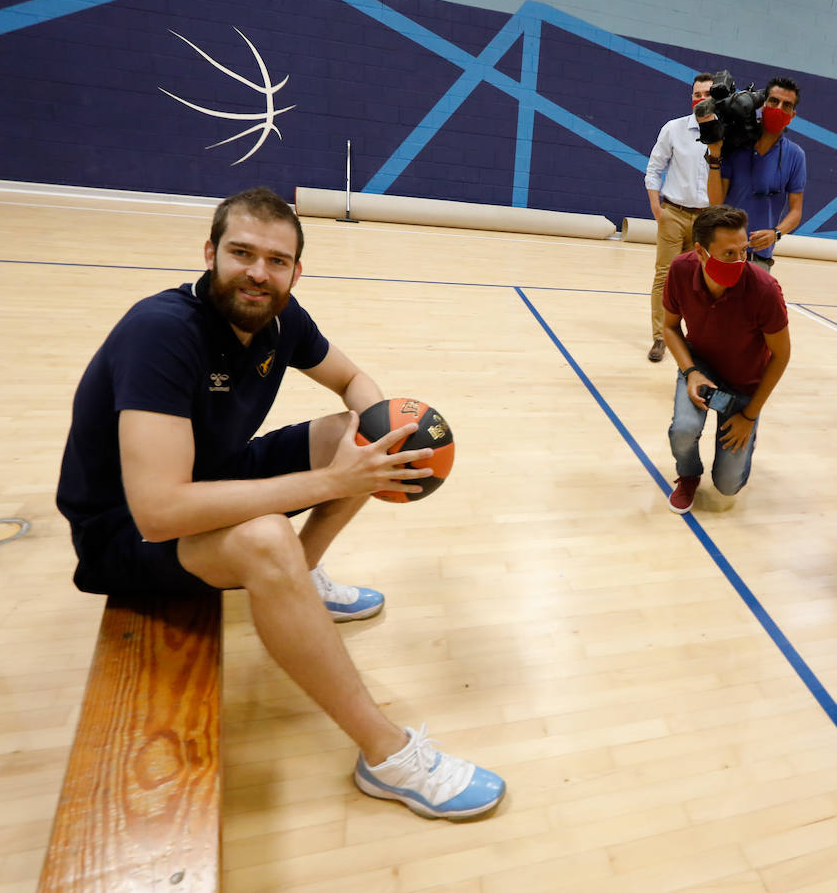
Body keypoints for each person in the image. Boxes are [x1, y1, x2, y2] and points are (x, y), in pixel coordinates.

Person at [55, 187, 506, 819]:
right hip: (125, 532)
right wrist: (333, 484)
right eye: (241, 253)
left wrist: (376, 431)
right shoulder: (159, 333)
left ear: (296, 270)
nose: (257, 273)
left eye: (276, 260)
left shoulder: (280, 318)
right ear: (210, 252)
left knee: (353, 434)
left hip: (211, 476)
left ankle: (299, 578)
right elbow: (159, 511)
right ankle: (388, 757)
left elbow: (353, 382)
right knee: (266, 537)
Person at [662, 205, 791, 513]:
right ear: (701, 251)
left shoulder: (764, 289)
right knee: (683, 429)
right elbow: (669, 327)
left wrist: (748, 417)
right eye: (728, 254)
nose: (739, 260)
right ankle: (688, 475)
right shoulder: (680, 269)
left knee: (727, 486)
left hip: (744, 385)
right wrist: (691, 371)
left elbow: (782, 355)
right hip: (701, 369)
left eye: (743, 251)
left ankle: (746, 440)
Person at [644, 72, 716, 364]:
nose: (701, 99)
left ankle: (691, 338)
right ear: (692, 98)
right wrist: (657, 210)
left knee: (697, 282)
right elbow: (653, 169)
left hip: (706, 220)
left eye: (707, 94)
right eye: (697, 94)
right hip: (672, 212)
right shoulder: (673, 129)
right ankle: (660, 338)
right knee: (665, 276)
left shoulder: (724, 135)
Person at [702, 76, 806, 270]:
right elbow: (716, 203)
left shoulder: (796, 156)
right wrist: (715, 155)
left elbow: (796, 211)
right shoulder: (736, 146)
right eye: (774, 101)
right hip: (723, 253)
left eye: (787, 105)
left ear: (792, 115)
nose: (779, 108)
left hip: (760, 260)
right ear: (763, 104)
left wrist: (775, 233)